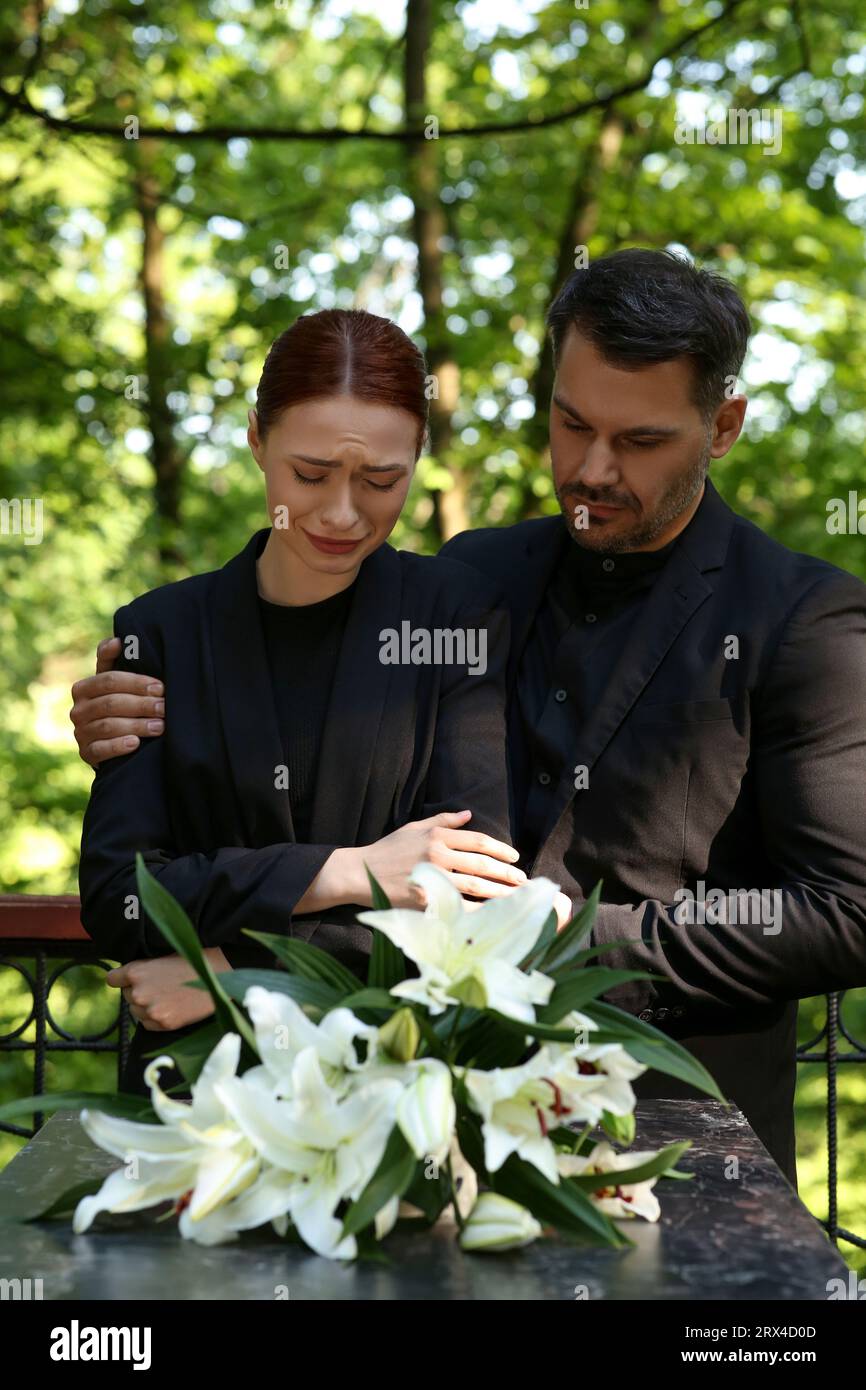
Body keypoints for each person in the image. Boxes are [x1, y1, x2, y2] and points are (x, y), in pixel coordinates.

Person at [72, 252, 866, 1188]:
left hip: (678, 1136)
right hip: (426, 1126)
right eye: (571, 424)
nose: (593, 468)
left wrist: (554, 937)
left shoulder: (806, 621)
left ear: (723, 424)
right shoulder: (471, 578)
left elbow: (846, 911)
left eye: (641, 441)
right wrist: (129, 717)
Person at [75, 307, 568, 1097]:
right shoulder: (160, 632)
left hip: (398, 1086)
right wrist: (349, 870)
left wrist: (228, 967)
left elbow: (467, 901)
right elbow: (120, 898)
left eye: (381, 481)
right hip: (196, 1098)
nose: (342, 513)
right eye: (309, 474)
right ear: (255, 439)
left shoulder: (455, 616)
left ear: (417, 459)